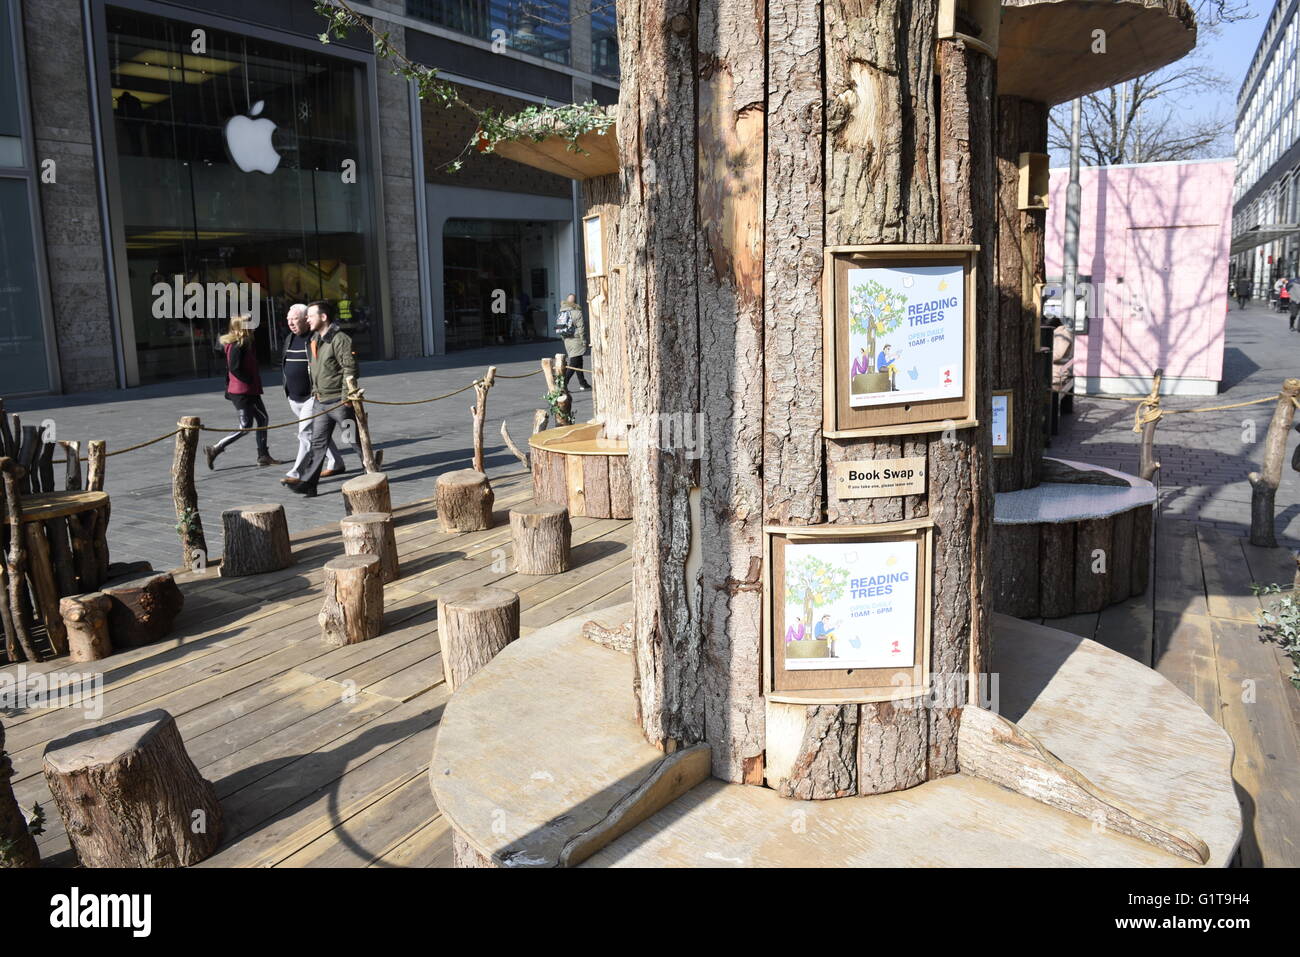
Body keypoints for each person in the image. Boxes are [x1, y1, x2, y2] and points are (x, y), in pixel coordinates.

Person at [287, 301, 366, 497]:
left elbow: (350, 368)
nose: (307, 319)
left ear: (323, 317)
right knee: (318, 443)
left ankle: (370, 470)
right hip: (320, 402)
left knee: (352, 439)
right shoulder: (315, 338)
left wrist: (345, 397)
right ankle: (308, 483)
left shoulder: (340, 339)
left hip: (339, 403)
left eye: (311, 316)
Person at [205, 316, 285, 470]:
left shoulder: (245, 343)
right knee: (246, 426)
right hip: (243, 392)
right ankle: (215, 448)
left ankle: (263, 456)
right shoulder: (237, 345)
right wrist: (248, 380)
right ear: (242, 327)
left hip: (248, 390)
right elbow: (234, 368)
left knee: (261, 420)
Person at [280, 303, 342, 486]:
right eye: (288, 320)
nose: (291, 323)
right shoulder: (289, 338)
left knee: (305, 433)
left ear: (306, 320)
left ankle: (296, 473)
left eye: (295, 319)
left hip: (313, 396)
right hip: (294, 397)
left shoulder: (316, 338)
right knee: (318, 432)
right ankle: (337, 462)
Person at [558, 294, 591, 391]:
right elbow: (581, 329)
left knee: (578, 361)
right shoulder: (577, 312)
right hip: (576, 340)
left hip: (567, 340)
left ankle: (583, 383)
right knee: (574, 362)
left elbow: (560, 328)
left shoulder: (562, 312)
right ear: (575, 302)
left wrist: (564, 339)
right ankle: (563, 384)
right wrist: (584, 341)